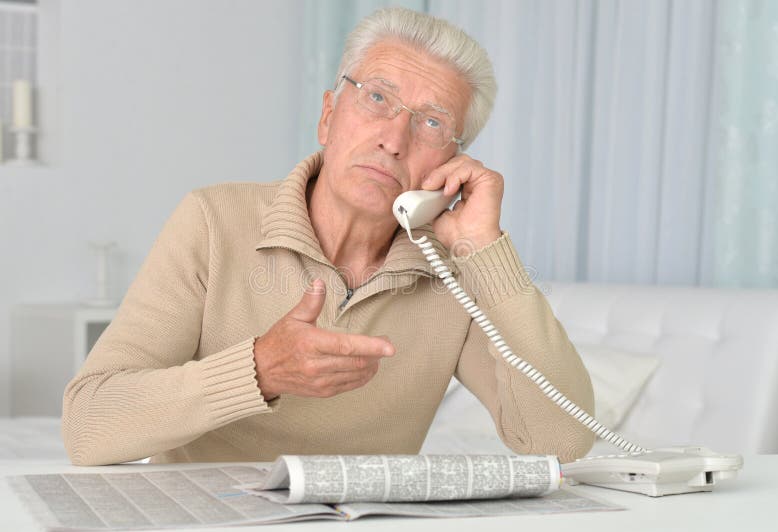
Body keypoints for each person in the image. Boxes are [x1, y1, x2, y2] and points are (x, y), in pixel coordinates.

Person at [62, 7, 594, 466]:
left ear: (452, 164)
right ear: (327, 116)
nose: (393, 139)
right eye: (378, 98)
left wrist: (487, 250)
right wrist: (259, 369)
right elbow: (88, 426)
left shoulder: (454, 268)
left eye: (432, 123)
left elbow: (561, 440)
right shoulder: (212, 219)